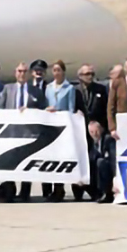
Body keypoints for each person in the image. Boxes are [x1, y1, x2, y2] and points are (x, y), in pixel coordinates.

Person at [0, 62, 46, 202]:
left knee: (26, 162)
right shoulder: (7, 89)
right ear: (15, 73)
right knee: (9, 162)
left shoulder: (36, 91)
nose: (22, 74)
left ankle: (25, 193)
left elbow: (42, 110)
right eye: (19, 71)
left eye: (24, 71)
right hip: (11, 132)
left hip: (29, 133)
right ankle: (9, 191)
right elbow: (0, 109)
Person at [42, 60, 76, 202]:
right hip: (50, 125)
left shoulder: (70, 88)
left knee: (60, 158)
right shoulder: (48, 88)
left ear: (63, 72)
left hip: (62, 126)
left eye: (59, 70)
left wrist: (59, 111)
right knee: (50, 157)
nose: (56, 73)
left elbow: (71, 108)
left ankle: (59, 187)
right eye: (54, 70)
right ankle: (49, 188)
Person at [72, 63, 107, 201]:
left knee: (94, 160)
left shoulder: (101, 89)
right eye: (87, 74)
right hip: (80, 132)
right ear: (80, 76)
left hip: (96, 132)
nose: (90, 76)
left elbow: (105, 110)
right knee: (80, 160)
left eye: (92, 74)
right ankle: (78, 190)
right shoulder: (75, 91)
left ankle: (96, 190)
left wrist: (100, 125)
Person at [88, 121, 116, 203]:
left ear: (101, 129)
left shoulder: (108, 139)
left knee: (100, 162)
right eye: (91, 132)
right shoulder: (93, 141)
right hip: (99, 170)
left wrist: (115, 177)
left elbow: (113, 159)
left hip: (109, 168)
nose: (94, 134)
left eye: (96, 131)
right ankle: (95, 193)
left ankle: (107, 193)